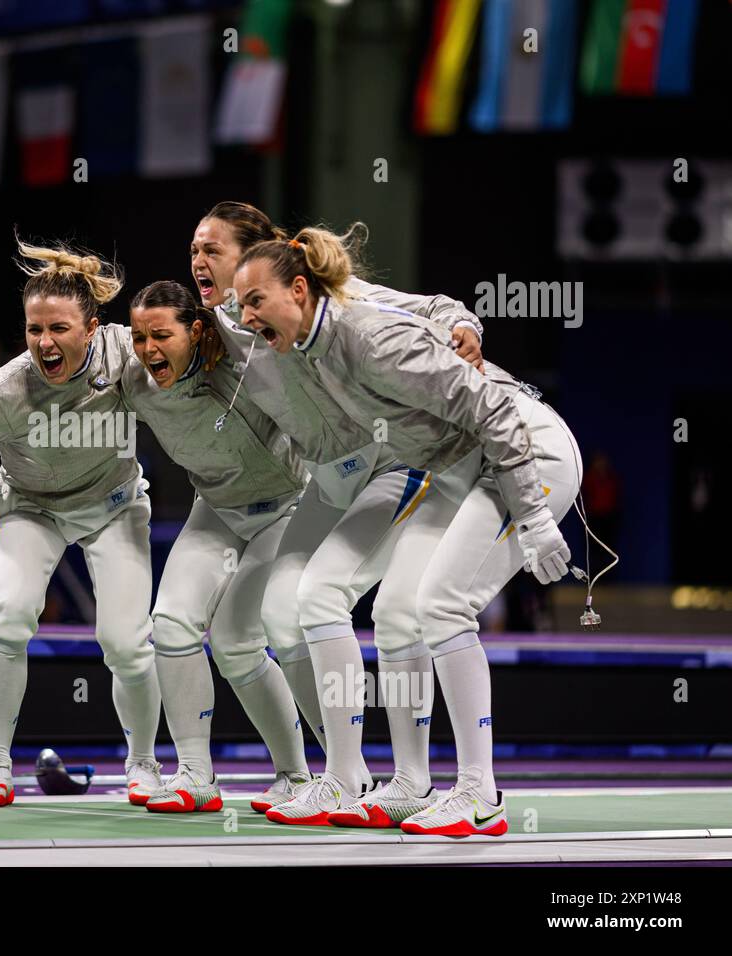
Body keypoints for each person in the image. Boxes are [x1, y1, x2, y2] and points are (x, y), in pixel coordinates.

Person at [233, 229, 580, 836]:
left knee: (443, 605)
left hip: (524, 455)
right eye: (241, 304)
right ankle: (412, 784)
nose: (245, 315)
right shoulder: (313, 348)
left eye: (255, 300)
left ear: (297, 288)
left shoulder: (368, 337)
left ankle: (480, 793)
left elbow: (492, 411)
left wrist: (534, 514)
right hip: (457, 473)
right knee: (396, 608)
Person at [187, 202, 488, 814]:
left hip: (391, 460)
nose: (198, 261)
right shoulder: (213, 328)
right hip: (329, 479)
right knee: (278, 610)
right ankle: (342, 768)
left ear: (252, 259)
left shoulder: (316, 296)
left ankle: (367, 776)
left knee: (348, 601)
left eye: (211, 250)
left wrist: (464, 326)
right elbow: (145, 334)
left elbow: (422, 306)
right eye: (193, 250)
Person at [0, 237, 162, 808]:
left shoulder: (126, 352)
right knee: (11, 618)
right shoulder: (4, 391)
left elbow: (191, 347)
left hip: (115, 505)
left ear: (91, 328)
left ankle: (143, 763)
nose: (44, 342)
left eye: (59, 329)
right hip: (31, 508)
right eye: (34, 329)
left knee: (125, 642)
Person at [120, 280, 309, 813]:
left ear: (196, 330)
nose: (148, 349)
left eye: (161, 335)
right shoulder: (133, 376)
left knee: (235, 640)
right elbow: (70, 363)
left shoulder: (244, 358)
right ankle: (195, 775)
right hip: (217, 509)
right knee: (171, 622)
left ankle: (299, 775)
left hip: (289, 504)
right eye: (138, 336)